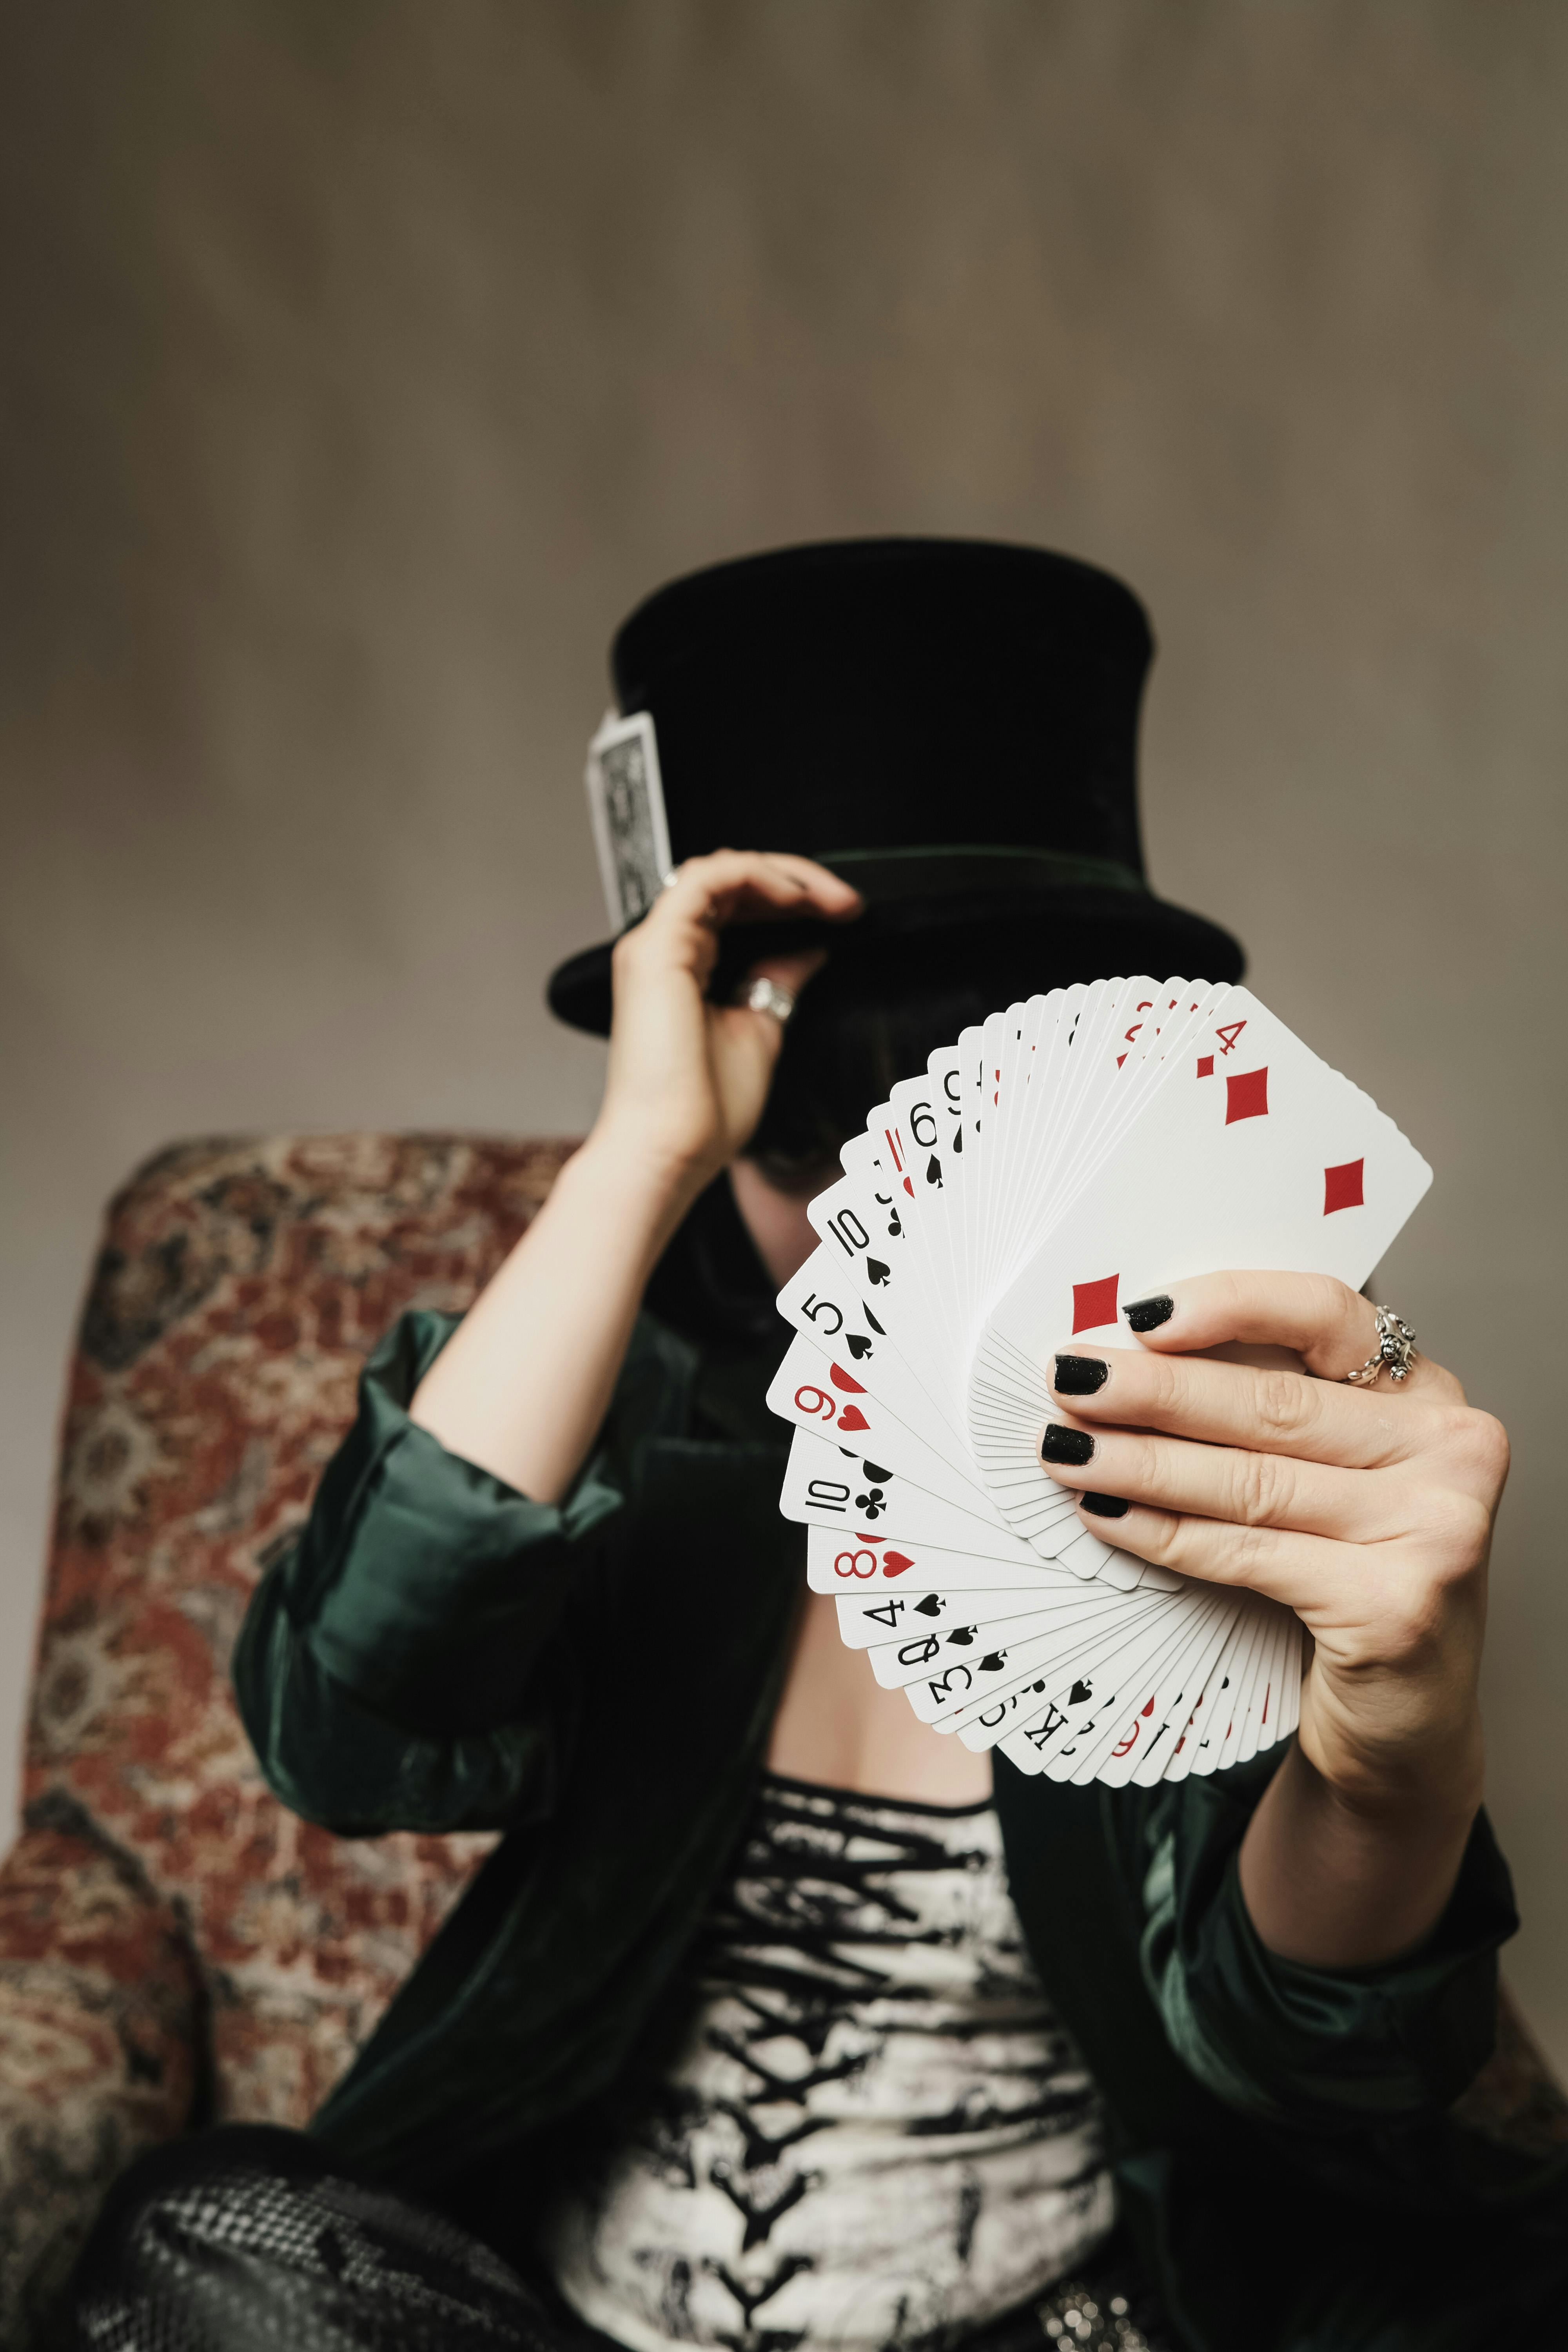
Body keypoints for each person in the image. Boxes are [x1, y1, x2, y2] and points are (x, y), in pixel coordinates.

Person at [62, 544, 1568, 2352]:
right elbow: (353, 1727)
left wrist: (1398, 1756)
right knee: (205, 2237)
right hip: (549, 2324)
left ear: (1096, 1119)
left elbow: (1318, 2061)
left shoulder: (1223, 1434)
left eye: (948, 1155)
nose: (875, 1244)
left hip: (1049, 2326)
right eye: (808, 1159)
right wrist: (646, 1155)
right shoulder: (622, 1422)